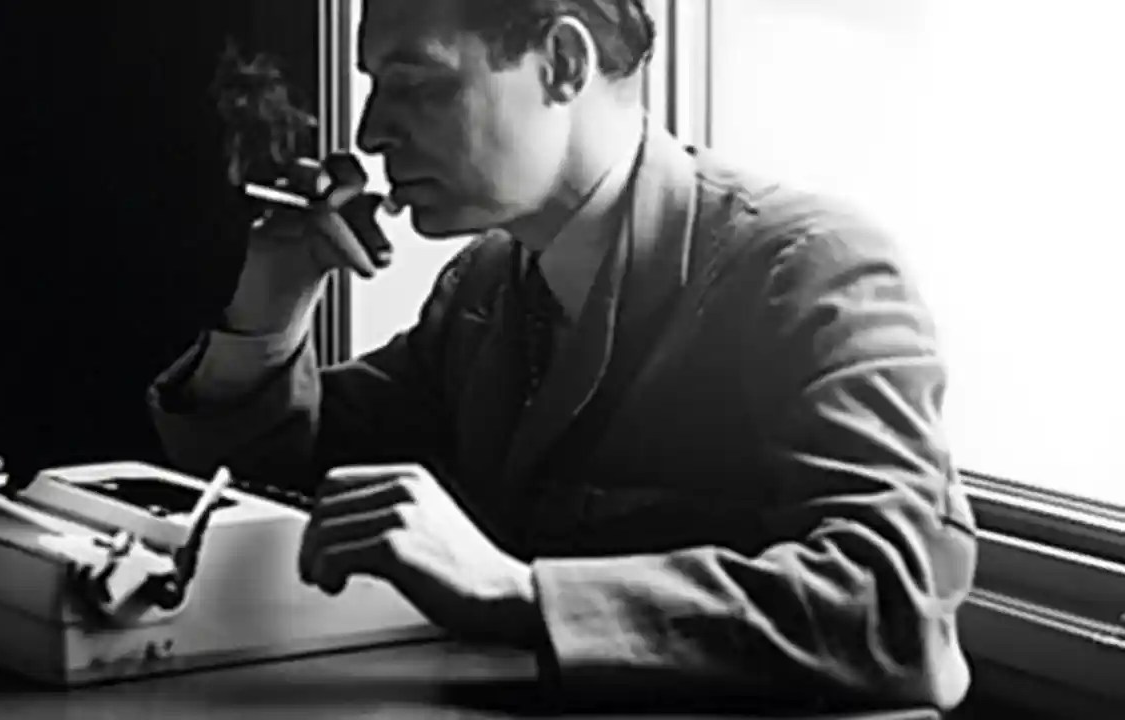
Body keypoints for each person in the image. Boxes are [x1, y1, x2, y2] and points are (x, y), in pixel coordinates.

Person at [148, 0, 977, 712]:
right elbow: (278, 479)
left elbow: (896, 604)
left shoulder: (808, 268)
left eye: (416, 85)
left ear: (562, 64)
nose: (369, 132)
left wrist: (519, 593)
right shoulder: (484, 285)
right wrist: (275, 298)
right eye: (372, 86)